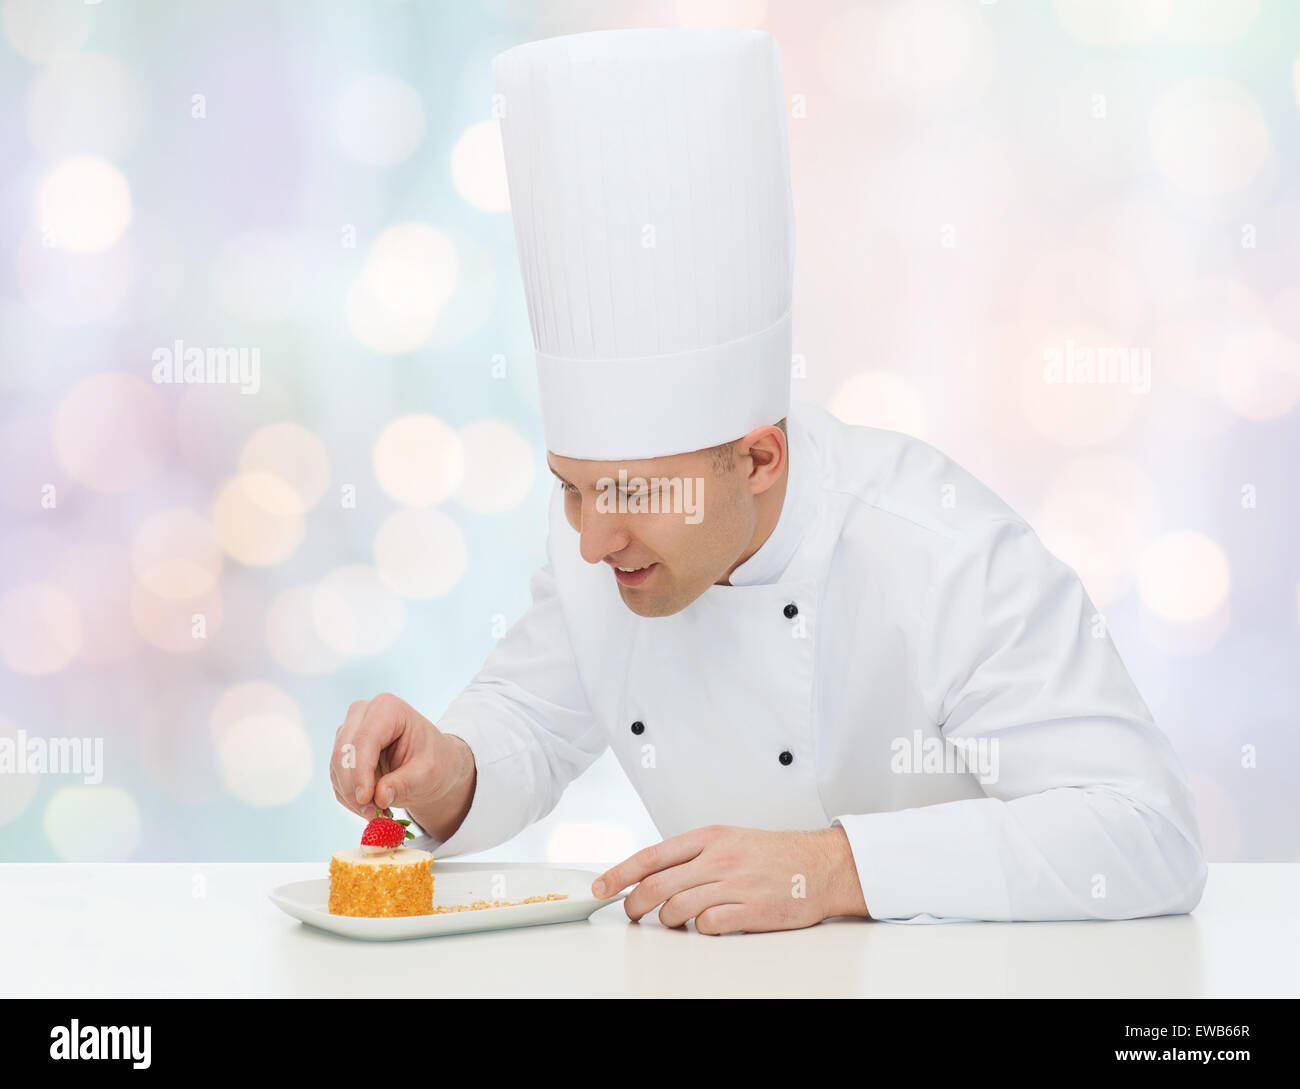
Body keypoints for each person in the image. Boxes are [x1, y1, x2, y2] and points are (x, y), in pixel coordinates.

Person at [329, 28, 1207, 932]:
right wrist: (447, 770)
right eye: (571, 487)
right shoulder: (604, 540)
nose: (592, 540)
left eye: (634, 493)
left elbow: (1145, 832)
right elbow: (531, 716)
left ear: (757, 459)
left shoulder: (943, 554)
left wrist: (830, 869)